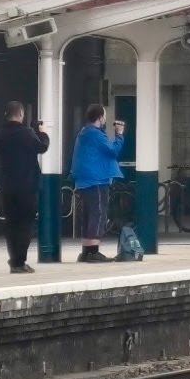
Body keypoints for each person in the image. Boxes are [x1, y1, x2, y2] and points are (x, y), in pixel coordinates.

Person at [0, 101, 50, 273]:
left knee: (11, 224)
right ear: (20, 114)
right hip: (26, 186)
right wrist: (42, 133)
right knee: (26, 224)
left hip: (7, 186)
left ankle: (13, 260)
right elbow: (42, 147)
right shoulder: (27, 133)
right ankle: (20, 261)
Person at [71, 104, 126, 263]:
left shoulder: (83, 133)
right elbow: (113, 150)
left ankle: (86, 251)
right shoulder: (96, 135)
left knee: (88, 215)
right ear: (100, 117)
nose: (105, 119)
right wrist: (119, 135)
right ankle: (93, 252)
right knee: (99, 214)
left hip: (83, 181)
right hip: (97, 180)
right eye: (104, 116)